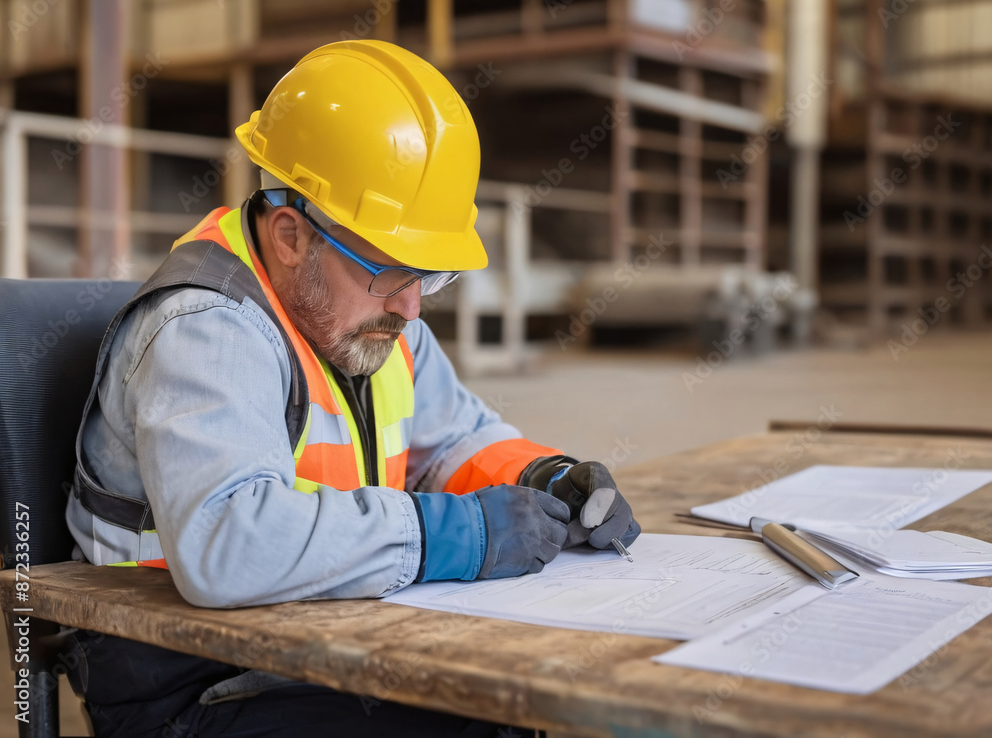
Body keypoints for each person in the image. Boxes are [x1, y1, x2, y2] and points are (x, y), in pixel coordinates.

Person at [65, 39, 640, 737]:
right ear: (290, 236)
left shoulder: (371, 315)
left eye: (429, 276)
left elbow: (453, 439)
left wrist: (547, 479)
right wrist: (447, 536)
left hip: (314, 640)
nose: (413, 308)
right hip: (193, 679)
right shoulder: (205, 329)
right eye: (395, 271)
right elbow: (225, 544)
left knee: (523, 709)